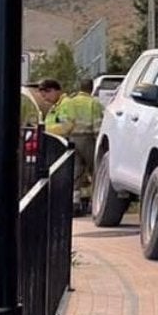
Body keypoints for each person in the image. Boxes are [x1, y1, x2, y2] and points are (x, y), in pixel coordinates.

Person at [45, 78, 102, 214]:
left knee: (76, 172)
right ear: (91, 88)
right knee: (96, 171)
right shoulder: (94, 102)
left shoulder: (71, 101)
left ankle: (74, 202)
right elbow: (97, 124)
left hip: (72, 139)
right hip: (87, 139)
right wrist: (99, 140)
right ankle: (96, 203)